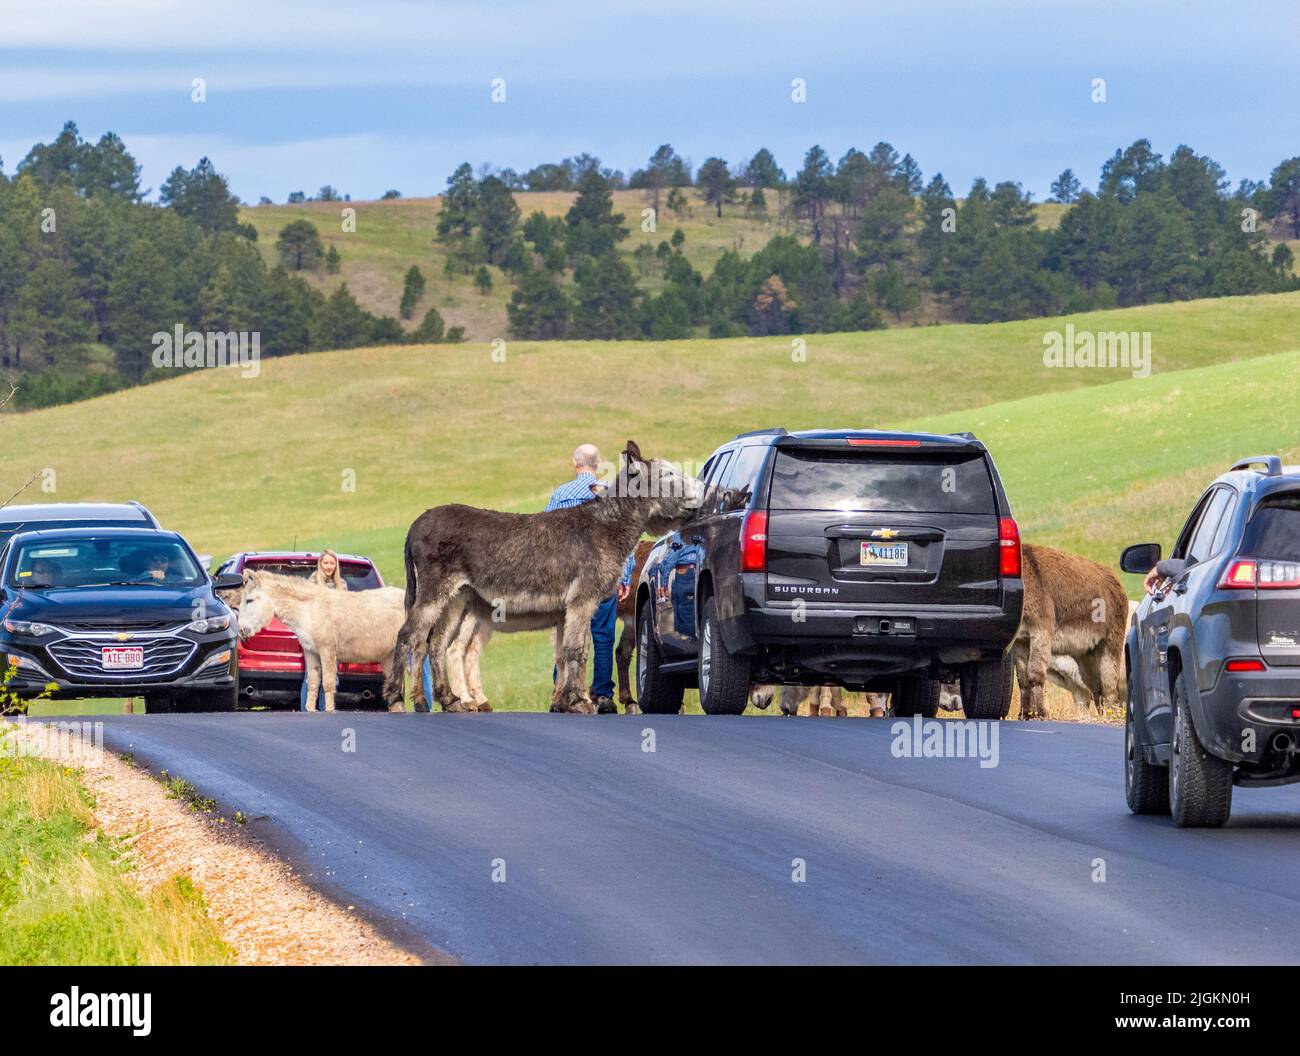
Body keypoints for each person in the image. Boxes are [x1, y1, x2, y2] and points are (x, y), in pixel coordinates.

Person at [544, 443, 636, 714]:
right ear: (598, 464)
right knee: (604, 635)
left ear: (575, 463)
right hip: (602, 577)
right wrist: (626, 576)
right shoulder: (611, 495)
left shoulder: (560, 495)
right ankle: (604, 695)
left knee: (566, 633)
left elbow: (545, 536)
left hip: (567, 579)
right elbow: (624, 540)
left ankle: (561, 690)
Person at [301, 550, 346, 711]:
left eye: (332, 563)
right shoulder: (311, 583)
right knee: (312, 676)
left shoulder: (342, 585)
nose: (329, 566)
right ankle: (307, 711)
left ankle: (324, 712)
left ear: (336, 565)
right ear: (320, 564)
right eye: (325, 563)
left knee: (329, 675)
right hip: (313, 636)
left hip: (333, 638)